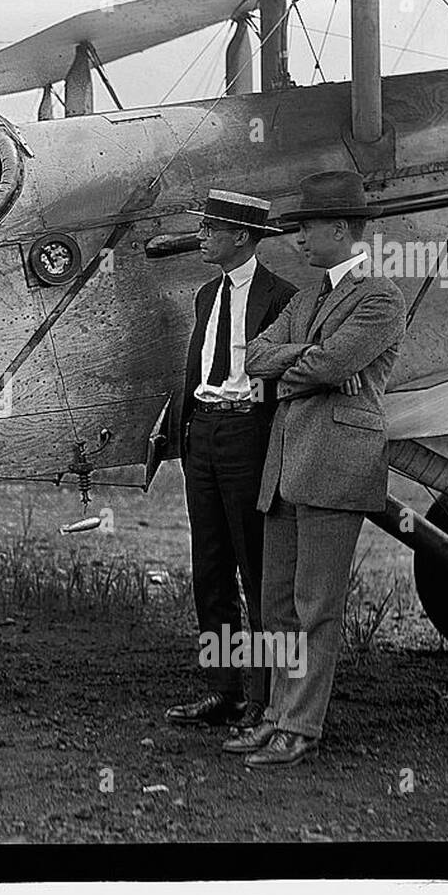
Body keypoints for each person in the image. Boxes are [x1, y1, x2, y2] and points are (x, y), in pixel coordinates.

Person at [227, 170, 406, 768]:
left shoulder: (380, 297)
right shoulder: (305, 299)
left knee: (316, 605)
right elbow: (254, 357)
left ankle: (301, 729)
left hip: (336, 466)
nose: (300, 238)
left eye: (307, 228)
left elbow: (331, 366)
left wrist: (300, 367)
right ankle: (277, 715)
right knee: (277, 603)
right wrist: (308, 364)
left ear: (341, 229)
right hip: (285, 467)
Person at [162, 190, 296, 732]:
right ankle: (224, 692)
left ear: (240, 236)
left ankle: (267, 701)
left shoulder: (281, 297)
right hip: (204, 436)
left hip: (248, 436)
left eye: (210, 229)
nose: (200, 236)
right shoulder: (204, 296)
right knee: (211, 569)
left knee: (257, 568)